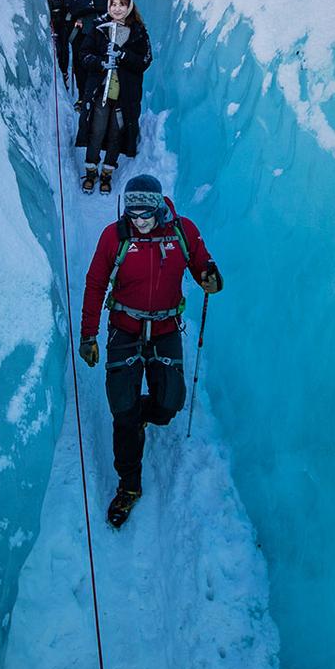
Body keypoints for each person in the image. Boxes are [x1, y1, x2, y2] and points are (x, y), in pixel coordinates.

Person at [79, 175, 223, 527]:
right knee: (122, 411)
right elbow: (95, 284)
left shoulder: (182, 232)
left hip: (165, 328)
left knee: (169, 404)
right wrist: (88, 335)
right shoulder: (115, 237)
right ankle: (129, 485)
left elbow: (202, 265)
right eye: (133, 214)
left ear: (158, 206)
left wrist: (210, 276)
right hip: (124, 328)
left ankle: (142, 413)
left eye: (146, 214)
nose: (140, 221)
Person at [75, 0, 151, 196]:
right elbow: (84, 54)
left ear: (129, 7)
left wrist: (123, 55)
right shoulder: (99, 28)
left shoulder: (138, 33)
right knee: (97, 130)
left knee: (116, 134)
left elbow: (145, 61)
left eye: (122, 5)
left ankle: (107, 173)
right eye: (114, 4)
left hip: (125, 96)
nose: (117, 9)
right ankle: (91, 171)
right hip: (102, 92)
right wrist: (101, 63)